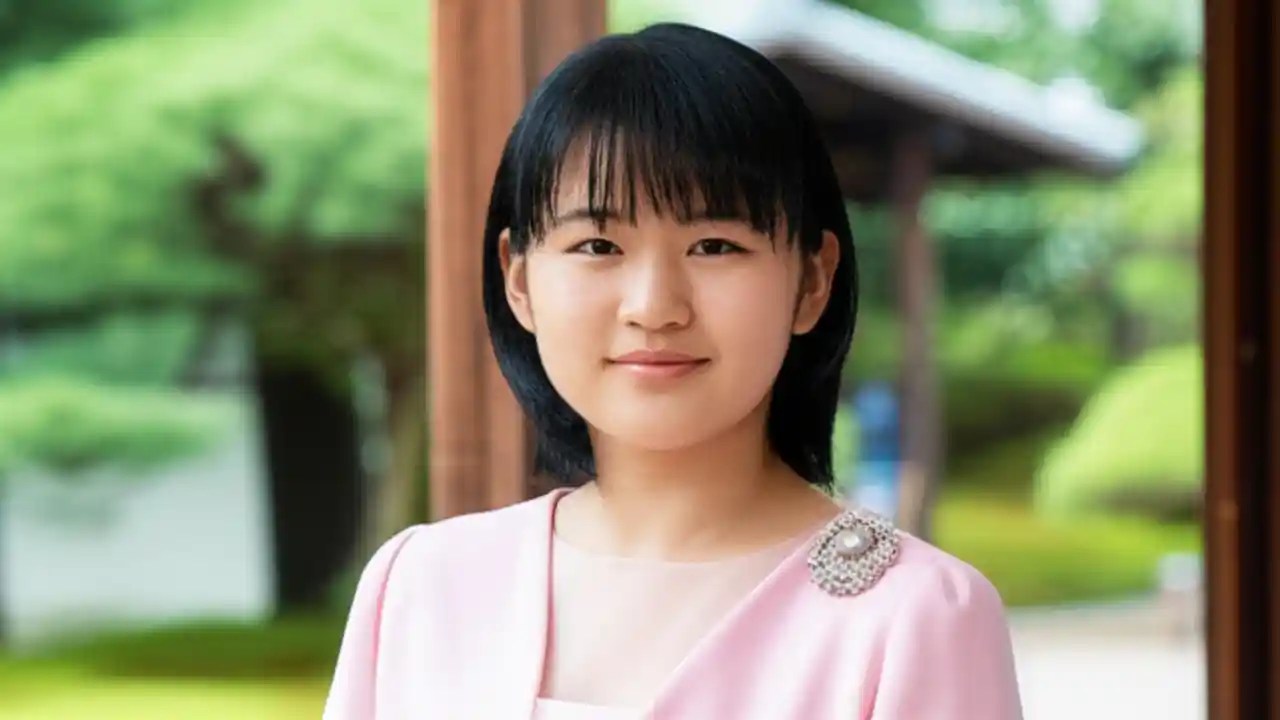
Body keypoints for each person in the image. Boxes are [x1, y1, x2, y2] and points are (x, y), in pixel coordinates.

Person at [324, 22, 1022, 720]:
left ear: (813, 281)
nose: (654, 307)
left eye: (714, 245)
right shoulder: (421, 586)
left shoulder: (914, 615)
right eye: (597, 244)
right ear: (518, 281)